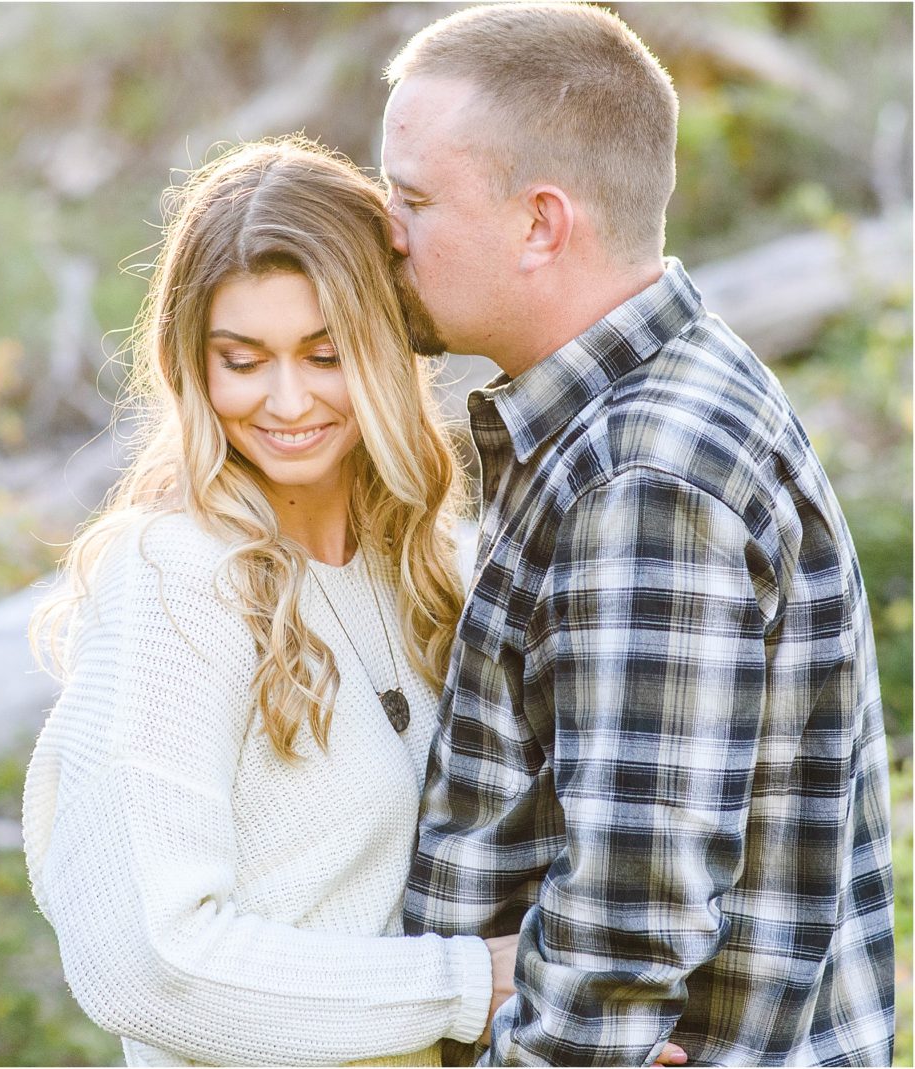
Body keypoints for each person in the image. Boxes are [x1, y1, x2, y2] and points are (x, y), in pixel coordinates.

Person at [381, 5, 897, 1067]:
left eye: (414, 199)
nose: (386, 230)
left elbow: (623, 928)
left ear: (540, 224)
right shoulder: (639, 405)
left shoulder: (641, 477)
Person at [21, 137, 509, 1067]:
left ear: (385, 347)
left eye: (326, 354)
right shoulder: (176, 577)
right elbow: (145, 961)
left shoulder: (430, 562)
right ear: (190, 365)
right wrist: (465, 985)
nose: (288, 402)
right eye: (242, 361)